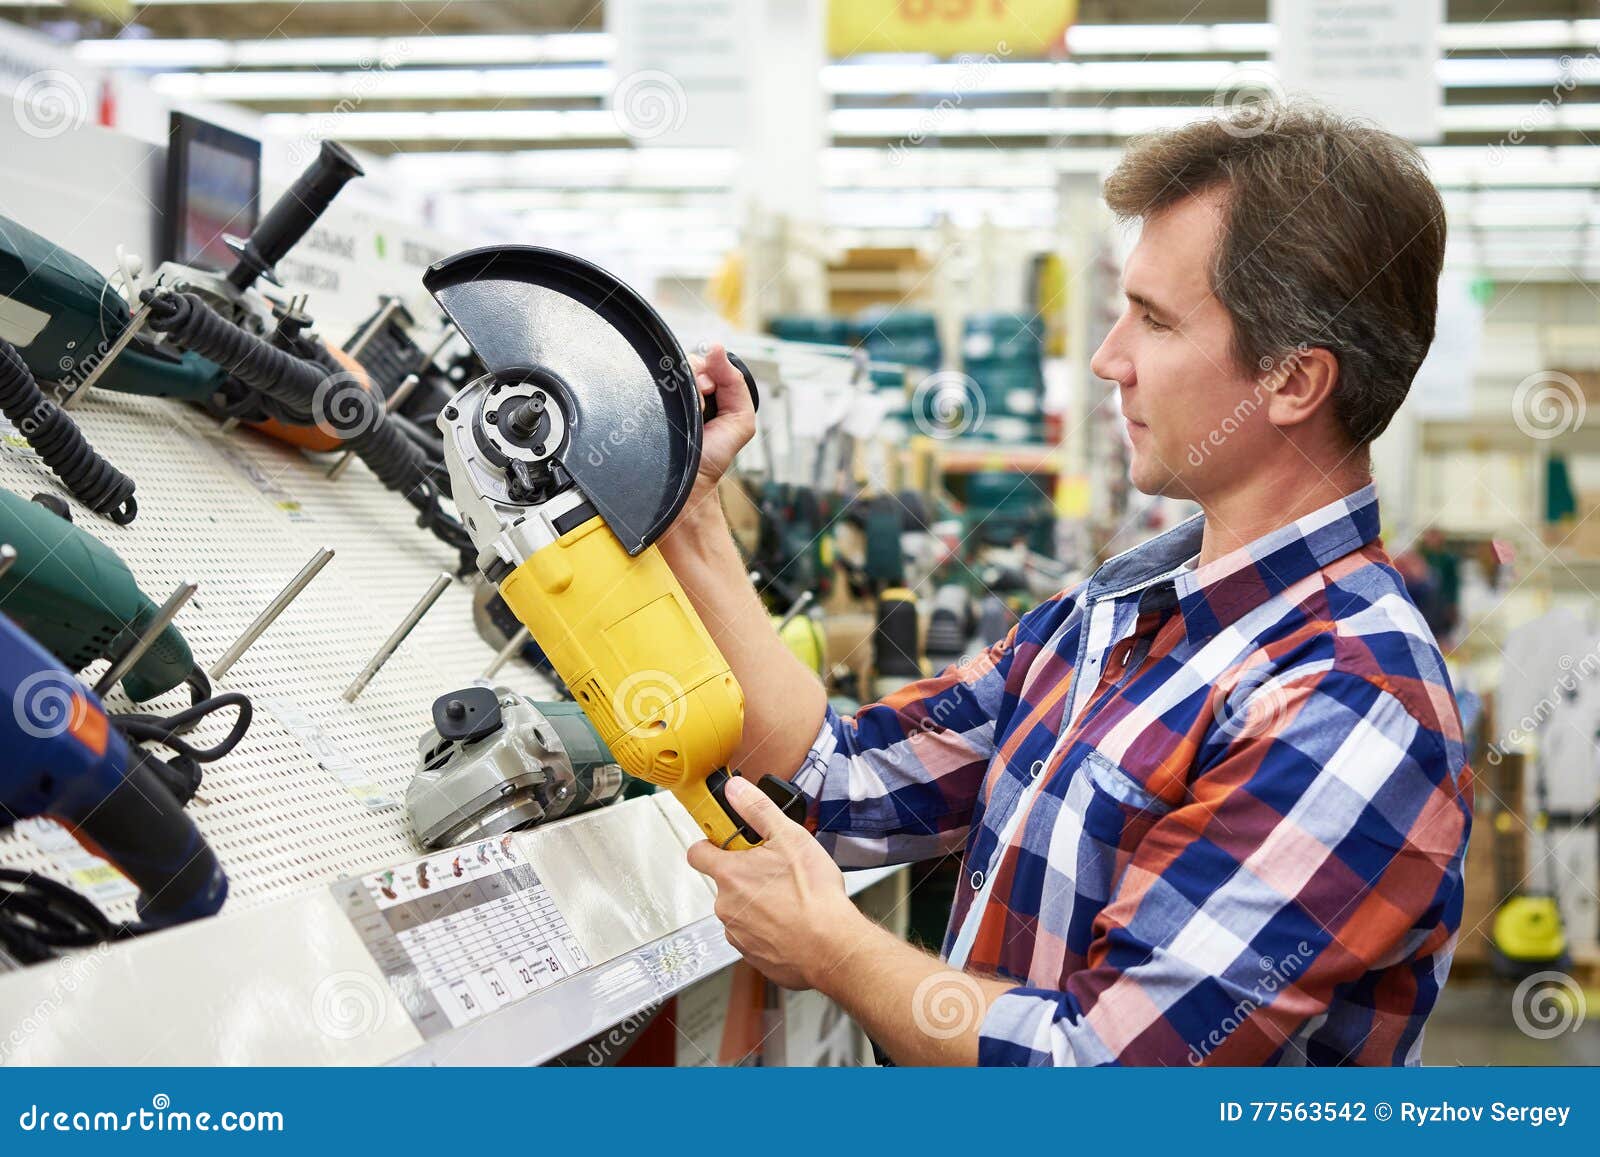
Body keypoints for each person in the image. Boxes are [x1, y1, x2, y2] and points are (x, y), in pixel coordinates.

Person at [664, 102, 1472, 1067]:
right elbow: (843, 781)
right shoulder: (1117, 610)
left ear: (1293, 382)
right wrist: (694, 515)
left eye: (1156, 320)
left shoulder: (1348, 696)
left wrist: (833, 947)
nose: (1106, 358)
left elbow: (1101, 1073)